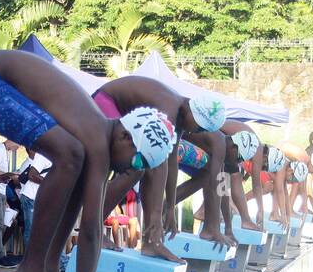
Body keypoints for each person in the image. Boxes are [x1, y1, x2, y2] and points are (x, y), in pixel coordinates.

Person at [0, 49, 175, 272]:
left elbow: (82, 209)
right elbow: (91, 229)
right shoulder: (97, 141)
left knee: (75, 168)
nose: (132, 169)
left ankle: (47, 267)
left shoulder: (100, 136)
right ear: (124, 136)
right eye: (137, 161)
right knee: (70, 155)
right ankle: (30, 271)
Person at [90, 77, 228, 259]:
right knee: (137, 168)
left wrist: (170, 206)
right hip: (107, 103)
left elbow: (172, 163)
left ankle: (149, 242)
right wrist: (156, 217)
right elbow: (159, 165)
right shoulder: (169, 110)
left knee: (143, 167)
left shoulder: (180, 118)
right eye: (199, 128)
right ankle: (94, 228)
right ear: (195, 115)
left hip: (123, 114)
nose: (197, 134)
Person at [0, 137, 23, 266]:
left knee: (4, 223)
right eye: (18, 144)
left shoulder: (4, 151)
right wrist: (9, 174)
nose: (18, 148)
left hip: (1, 191)